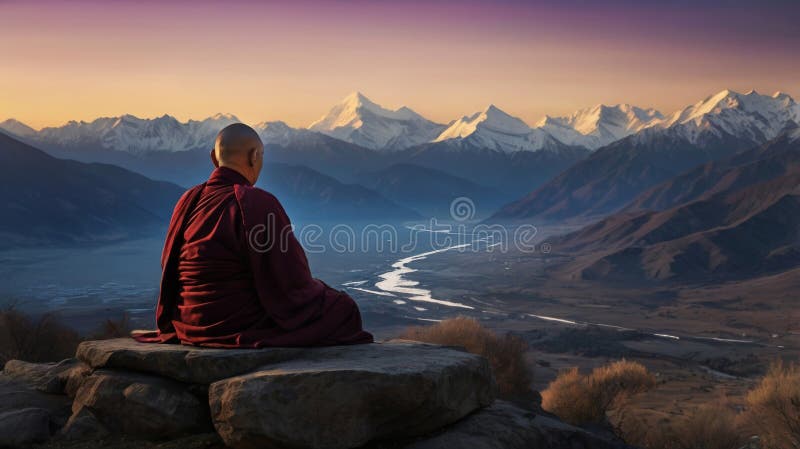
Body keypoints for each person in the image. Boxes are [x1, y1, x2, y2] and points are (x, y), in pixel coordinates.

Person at [133, 123, 373, 347]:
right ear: (254, 157)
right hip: (237, 324)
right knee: (344, 309)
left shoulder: (188, 200)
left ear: (214, 158)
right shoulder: (255, 202)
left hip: (188, 322)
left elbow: (169, 265)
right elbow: (291, 281)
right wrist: (319, 290)